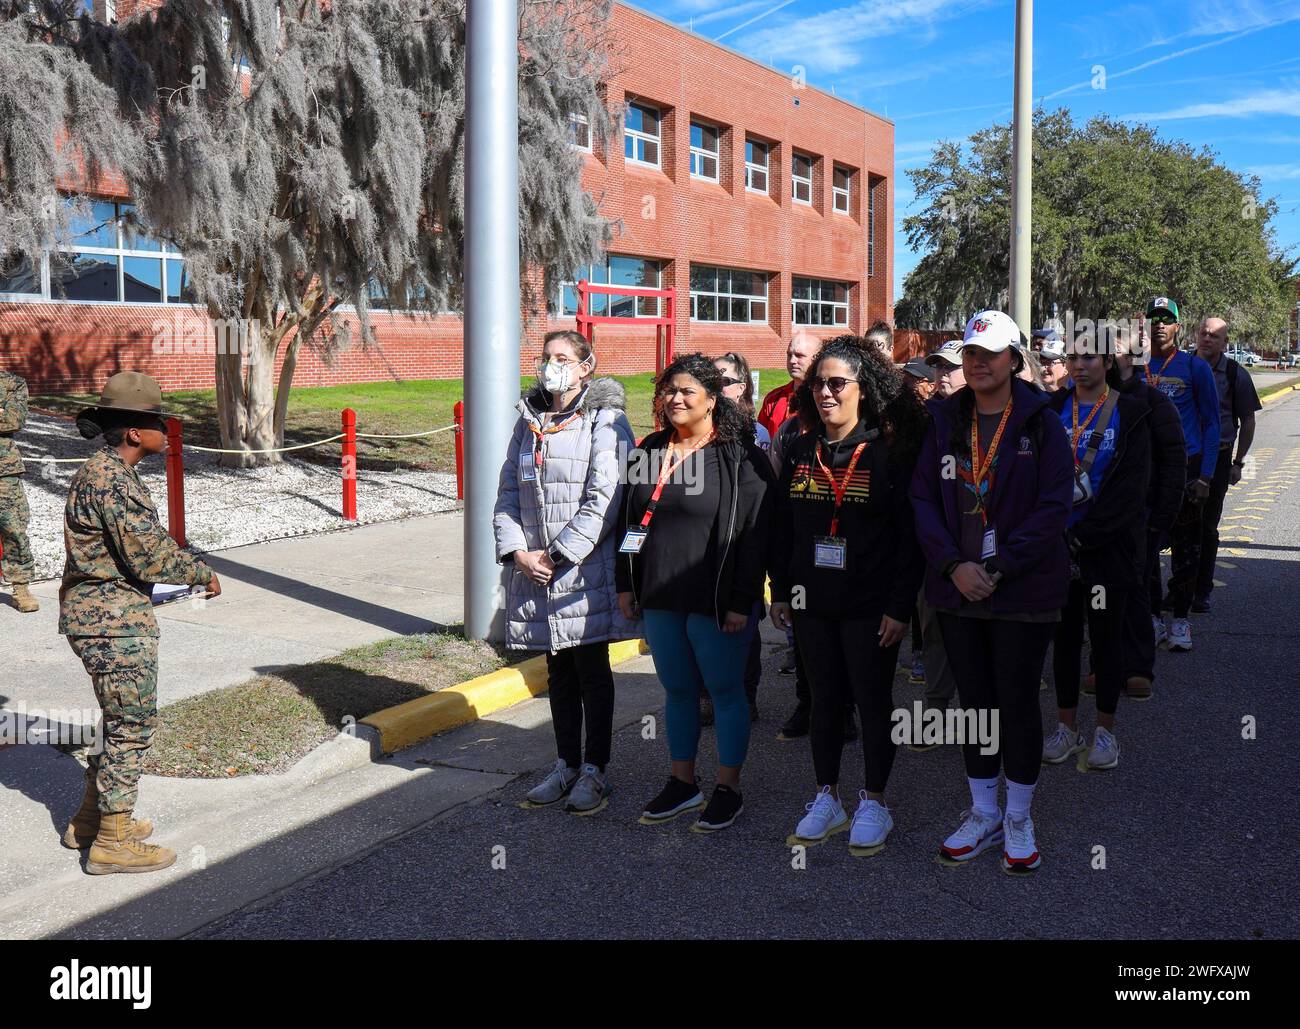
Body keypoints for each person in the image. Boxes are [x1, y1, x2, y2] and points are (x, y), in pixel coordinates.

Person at [910, 311, 1073, 874]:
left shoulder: (1042, 422)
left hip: (1022, 590)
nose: (978, 363)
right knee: (975, 706)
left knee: (1018, 703)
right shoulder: (942, 422)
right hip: (957, 589)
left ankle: (1020, 815)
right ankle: (983, 811)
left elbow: (1055, 507)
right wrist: (954, 565)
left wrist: (999, 567)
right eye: (971, 354)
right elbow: (924, 501)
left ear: (1014, 359)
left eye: (991, 354)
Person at [60, 372, 221, 874]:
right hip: (112, 623)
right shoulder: (111, 480)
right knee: (131, 726)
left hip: (105, 618)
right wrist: (201, 573)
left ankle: (93, 821)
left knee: (118, 723)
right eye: (156, 421)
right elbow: (149, 557)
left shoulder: (107, 473)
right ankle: (111, 843)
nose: (165, 429)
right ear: (133, 432)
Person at [770, 336, 926, 853]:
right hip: (812, 602)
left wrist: (900, 606)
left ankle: (875, 800)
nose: (826, 393)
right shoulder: (798, 446)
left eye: (838, 383)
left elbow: (911, 539)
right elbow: (780, 528)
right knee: (824, 701)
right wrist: (779, 590)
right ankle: (827, 795)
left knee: (873, 701)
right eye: (819, 383)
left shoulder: (887, 452)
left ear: (864, 389)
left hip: (870, 607)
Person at [617, 353, 773, 832]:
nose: (676, 398)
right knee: (678, 691)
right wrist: (627, 582)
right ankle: (682, 783)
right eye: (669, 390)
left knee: (725, 693)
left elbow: (757, 531)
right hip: (661, 594)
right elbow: (629, 519)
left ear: (711, 399)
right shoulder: (648, 449)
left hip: (715, 598)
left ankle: (728, 788)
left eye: (687, 391)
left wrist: (739, 599)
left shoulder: (739, 453)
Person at [494, 330, 636, 814]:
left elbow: (606, 499)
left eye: (563, 358)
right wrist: (518, 553)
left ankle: (595, 771)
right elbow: (508, 493)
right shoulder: (529, 421)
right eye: (545, 358)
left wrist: (557, 556)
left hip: (582, 570)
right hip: (535, 570)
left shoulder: (606, 420)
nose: (552, 366)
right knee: (558, 671)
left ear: (585, 366)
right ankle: (565, 764)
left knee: (591, 669)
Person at [1042, 342, 1150, 771]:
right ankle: (1067, 727)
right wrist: (1054, 533)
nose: (1079, 365)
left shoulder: (1130, 412)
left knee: (1105, 639)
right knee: (1064, 639)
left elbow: (1131, 490)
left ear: (1108, 363)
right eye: (1073, 357)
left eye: (1090, 357)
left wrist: (1086, 536)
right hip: (1056, 547)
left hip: (1106, 550)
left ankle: (1105, 731)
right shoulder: (1050, 411)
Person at [1098, 326, 1186, 702]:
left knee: (1135, 587)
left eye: (1118, 347)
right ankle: (1101, 664)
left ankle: (1137, 666)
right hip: (1097, 516)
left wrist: (1162, 515)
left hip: (1142, 516)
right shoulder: (1090, 401)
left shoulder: (1154, 403)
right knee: (1097, 591)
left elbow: (1173, 462)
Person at [1137, 297, 1219, 652]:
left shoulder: (1194, 367)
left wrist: (1206, 476)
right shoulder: (1132, 367)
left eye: (1166, 319)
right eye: (1153, 318)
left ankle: (1181, 620)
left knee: (1187, 548)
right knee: (1146, 547)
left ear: (1177, 327)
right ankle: (1153, 617)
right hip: (1144, 469)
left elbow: (1212, 422)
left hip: (1186, 467)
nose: (1159, 324)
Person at [711, 351, 767, 724]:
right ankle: (707, 695)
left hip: (743, 541)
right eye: (713, 381)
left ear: (742, 386)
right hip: (706, 546)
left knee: (744, 624)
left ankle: (747, 695)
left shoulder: (756, 433)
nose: (719, 388)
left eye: (727, 381)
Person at [1193, 317, 1261, 613]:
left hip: (1218, 458)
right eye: (1204, 333)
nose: (1207, 339)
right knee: (1174, 526)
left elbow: (1247, 419)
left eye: (1214, 336)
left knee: (1206, 526)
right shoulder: (1182, 367)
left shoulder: (1235, 374)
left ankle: (1201, 590)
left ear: (1225, 342)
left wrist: (1238, 462)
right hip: (1180, 457)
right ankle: (1177, 588)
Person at [1, 368, 39, 613]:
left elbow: (14, 419)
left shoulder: (12, 382)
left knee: (13, 527)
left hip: (3, 469)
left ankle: (21, 586)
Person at [757, 330, 819, 439]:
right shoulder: (773, 399)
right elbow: (760, 441)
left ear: (816, 359)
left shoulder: (824, 399)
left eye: (799, 355)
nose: (792, 360)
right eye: (789, 355)